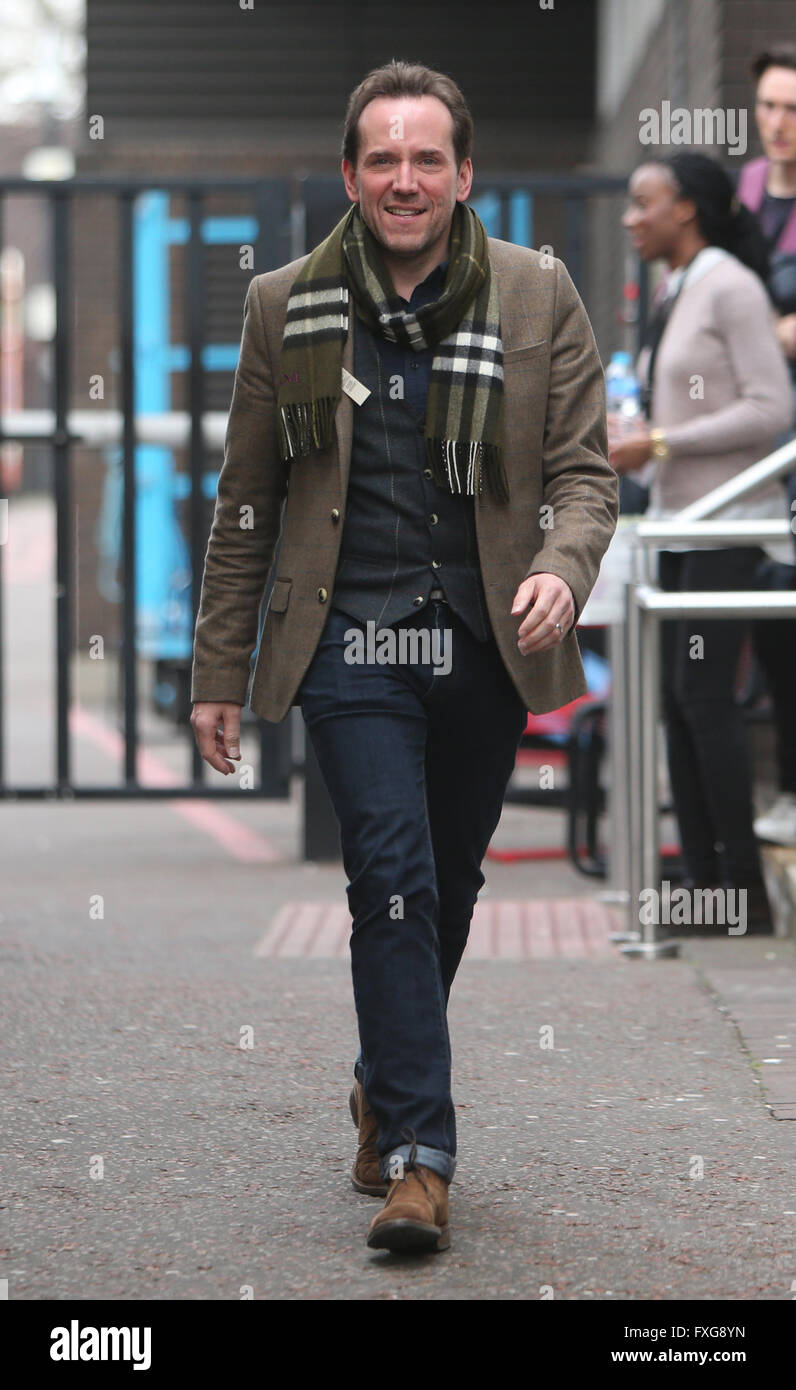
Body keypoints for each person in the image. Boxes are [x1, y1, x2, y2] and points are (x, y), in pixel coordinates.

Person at [190, 60, 617, 1253]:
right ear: (350, 175)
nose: (404, 178)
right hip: (349, 642)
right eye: (382, 157)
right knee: (390, 877)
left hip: (484, 639)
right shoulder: (286, 304)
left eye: (426, 157)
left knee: (452, 885)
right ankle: (421, 1161)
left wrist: (560, 566)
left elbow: (586, 474)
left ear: (464, 173)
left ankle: (384, 1080)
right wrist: (219, 673)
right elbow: (247, 503)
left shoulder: (538, 293)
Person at [611, 152, 792, 929]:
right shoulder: (674, 287)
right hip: (679, 523)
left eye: (642, 202)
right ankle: (702, 881)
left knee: (701, 697)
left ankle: (743, 895)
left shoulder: (729, 286)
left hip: (729, 524)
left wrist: (661, 444)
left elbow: (771, 409)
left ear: (685, 208)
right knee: (675, 704)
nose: (630, 217)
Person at [737, 45, 796, 848]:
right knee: (767, 608)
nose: (779, 127)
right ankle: (785, 782)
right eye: (769, 110)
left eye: (794, 111)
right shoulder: (748, 192)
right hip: (756, 437)